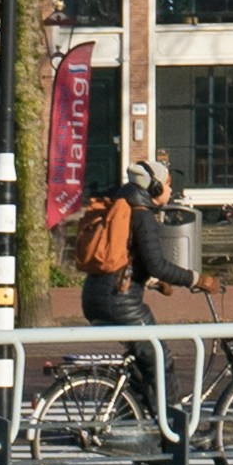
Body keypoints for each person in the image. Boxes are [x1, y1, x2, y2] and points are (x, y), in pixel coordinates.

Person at [68, 165, 164, 418]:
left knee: (143, 363)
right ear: (155, 186)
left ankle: (139, 424)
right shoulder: (141, 214)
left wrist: (150, 282)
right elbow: (157, 264)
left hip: (93, 297)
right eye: (168, 183)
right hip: (120, 302)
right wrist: (196, 279)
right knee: (160, 358)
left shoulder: (116, 206)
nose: (171, 189)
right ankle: (174, 430)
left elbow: (124, 261)